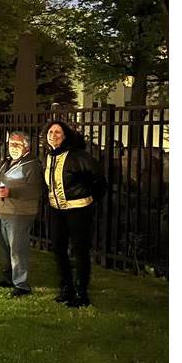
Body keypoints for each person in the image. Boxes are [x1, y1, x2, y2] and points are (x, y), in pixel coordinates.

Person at [43, 120, 107, 308]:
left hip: (78, 209)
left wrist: (90, 198)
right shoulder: (48, 156)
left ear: (65, 135)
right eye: (51, 132)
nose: (53, 135)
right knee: (59, 249)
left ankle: (82, 292)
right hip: (57, 210)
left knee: (80, 251)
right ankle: (66, 288)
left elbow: (99, 180)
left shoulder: (79, 156)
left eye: (58, 132)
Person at [0, 131, 44, 298]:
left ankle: (21, 285)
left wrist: (12, 192)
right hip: (4, 211)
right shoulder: (7, 163)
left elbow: (35, 189)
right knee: (6, 248)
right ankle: (8, 277)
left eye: (17, 144)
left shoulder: (32, 165)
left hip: (20, 213)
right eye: (11, 144)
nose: (13, 147)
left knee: (18, 249)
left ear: (26, 146)